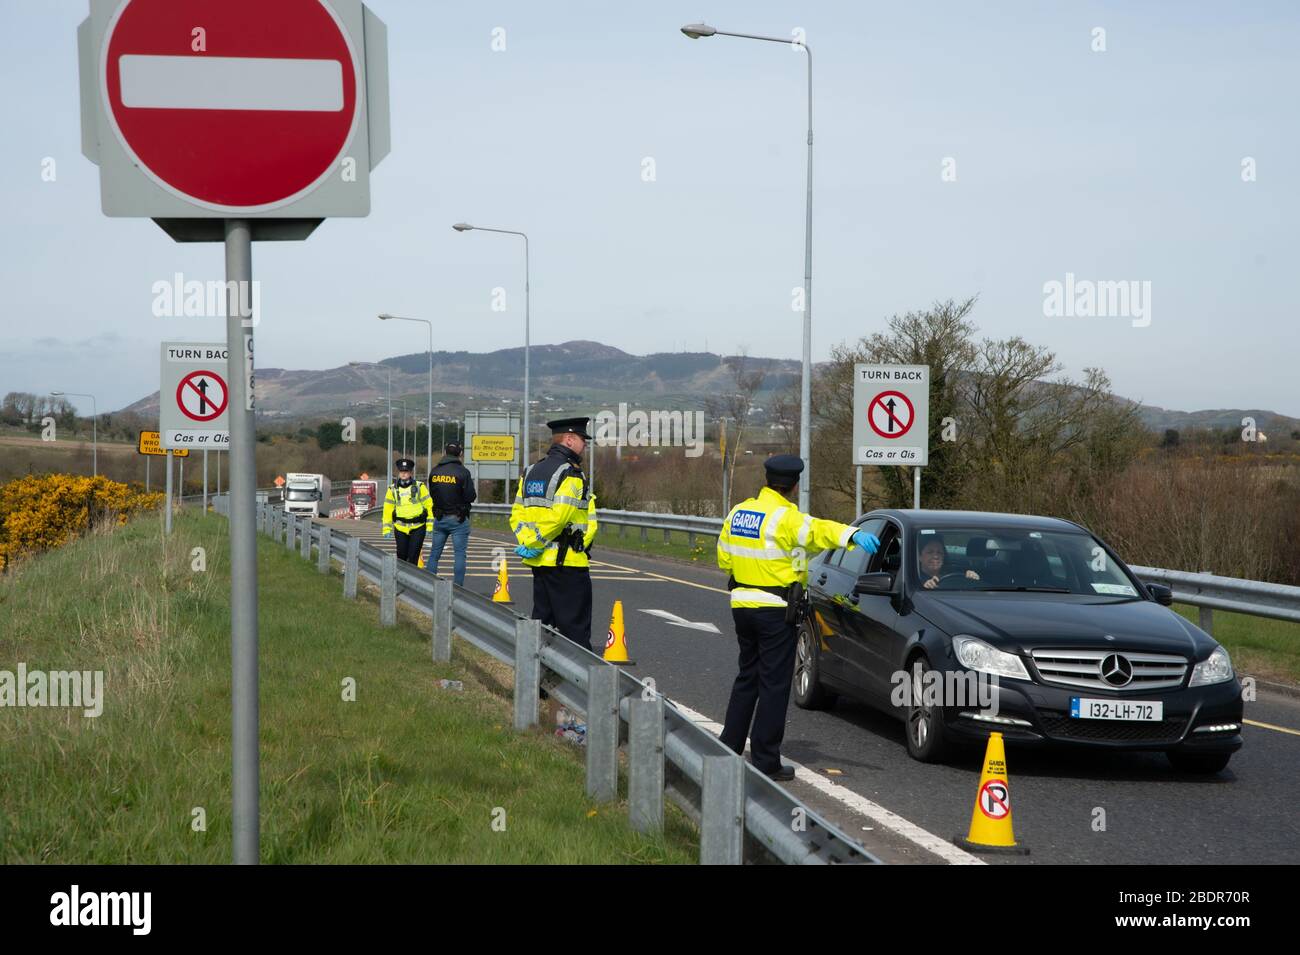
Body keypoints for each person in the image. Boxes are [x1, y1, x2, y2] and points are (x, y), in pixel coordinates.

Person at [717, 454, 880, 781]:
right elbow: (819, 531)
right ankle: (765, 760)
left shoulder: (739, 512)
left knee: (747, 676)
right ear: (794, 485)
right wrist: (851, 536)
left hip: (741, 605)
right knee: (774, 685)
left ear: (767, 479)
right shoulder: (785, 518)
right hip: (774, 610)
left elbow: (724, 558)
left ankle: (728, 747)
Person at [509, 418, 599, 652]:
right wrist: (540, 541)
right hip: (567, 561)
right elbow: (560, 518)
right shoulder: (570, 474)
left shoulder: (530, 471)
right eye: (582, 440)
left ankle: (536, 683)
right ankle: (579, 685)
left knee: (542, 624)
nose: (585, 446)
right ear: (569, 439)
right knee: (575, 630)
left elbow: (517, 514)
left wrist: (529, 543)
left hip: (539, 561)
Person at [426, 441, 477, 586]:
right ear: (460, 454)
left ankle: (429, 585)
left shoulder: (434, 471)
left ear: (445, 452)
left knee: (434, 555)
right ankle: (458, 588)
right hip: (458, 520)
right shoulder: (463, 472)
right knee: (459, 554)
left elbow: (433, 493)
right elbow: (471, 496)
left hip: (440, 518)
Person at [381, 457, 433, 565]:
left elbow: (429, 506)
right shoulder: (392, 489)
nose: (404, 474)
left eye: (406, 471)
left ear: (410, 472)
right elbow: (387, 510)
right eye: (401, 471)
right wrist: (386, 528)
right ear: (399, 472)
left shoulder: (420, 487)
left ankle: (411, 580)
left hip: (418, 527)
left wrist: (429, 526)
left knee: (413, 557)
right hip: (400, 527)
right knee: (401, 556)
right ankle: (400, 580)